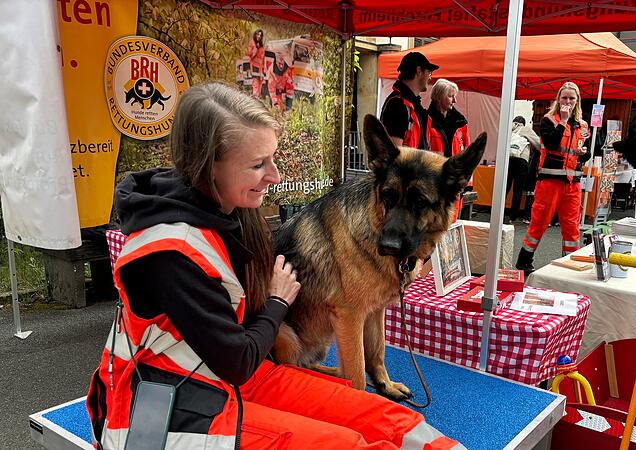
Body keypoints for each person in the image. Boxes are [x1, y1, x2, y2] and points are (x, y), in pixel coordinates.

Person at [86, 82, 461, 450]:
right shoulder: (171, 253)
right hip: (162, 408)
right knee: (350, 444)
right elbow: (239, 360)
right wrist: (279, 302)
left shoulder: (233, 214)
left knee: (392, 420)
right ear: (208, 165)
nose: (275, 176)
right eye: (257, 164)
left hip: (234, 378)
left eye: (272, 158)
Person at [515, 82, 590, 275]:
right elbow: (551, 143)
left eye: (571, 98)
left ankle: (570, 265)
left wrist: (584, 152)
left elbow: (584, 155)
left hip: (572, 184)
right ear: (558, 99)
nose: (568, 101)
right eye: (564, 98)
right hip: (549, 183)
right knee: (539, 223)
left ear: (577, 101)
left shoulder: (582, 125)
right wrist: (563, 120)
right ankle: (524, 262)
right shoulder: (549, 120)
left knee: (572, 228)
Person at [428, 78, 470, 219]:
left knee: (451, 221)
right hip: (433, 181)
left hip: (453, 181)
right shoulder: (426, 121)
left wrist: (466, 181)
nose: (455, 100)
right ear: (439, 97)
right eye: (451, 96)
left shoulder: (461, 123)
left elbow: (467, 154)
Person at [380, 51, 439, 150]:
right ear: (419, 71)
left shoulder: (412, 105)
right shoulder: (398, 105)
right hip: (407, 165)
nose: (430, 77)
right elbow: (395, 154)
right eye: (429, 72)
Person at [505, 116, 540, 223]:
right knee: (518, 190)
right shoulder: (526, 129)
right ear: (523, 123)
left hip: (508, 160)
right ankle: (512, 217)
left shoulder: (508, 129)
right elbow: (539, 144)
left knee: (505, 188)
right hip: (521, 161)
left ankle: (499, 213)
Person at [247, 29, 266, 100]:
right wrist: (255, 48)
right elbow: (250, 55)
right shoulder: (252, 43)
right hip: (254, 66)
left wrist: (264, 69)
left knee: (260, 85)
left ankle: (257, 98)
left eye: (260, 35)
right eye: (258, 34)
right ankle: (255, 99)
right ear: (255, 34)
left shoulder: (261, 45)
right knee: (255, 84)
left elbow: (263, 58)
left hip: (261, 68)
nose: (259, 36)